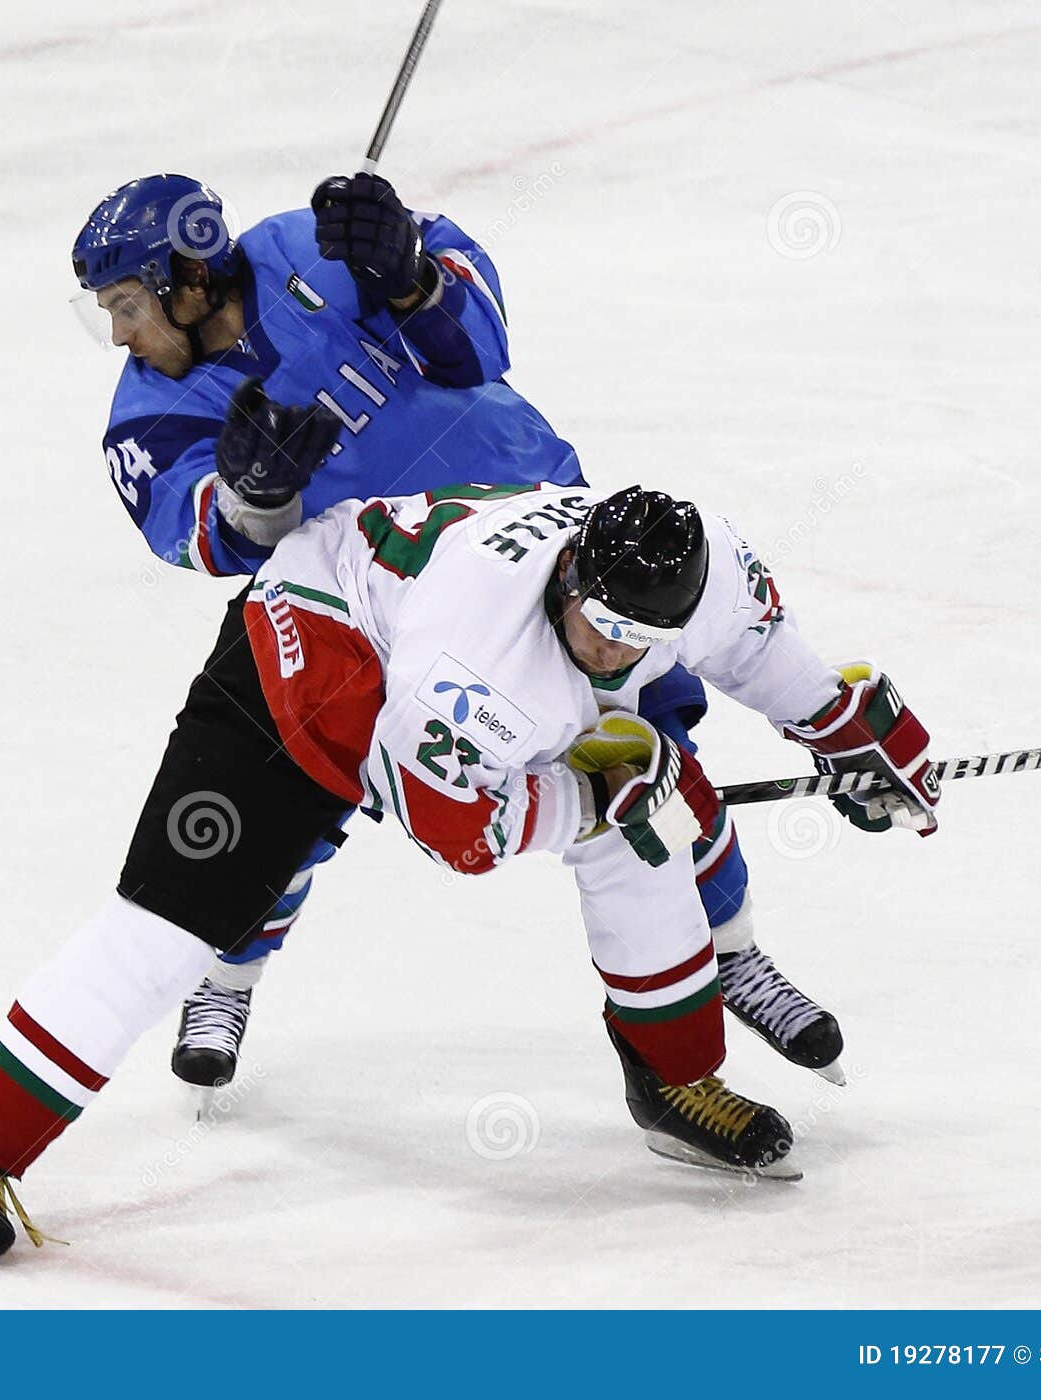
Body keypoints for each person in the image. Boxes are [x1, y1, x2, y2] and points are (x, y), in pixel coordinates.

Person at [0, 483, 938, 1268]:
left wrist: (864, 738)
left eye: (636, 641)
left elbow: (777, 667)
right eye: (599, 626)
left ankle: (671, 1076)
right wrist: (580, 795)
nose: (610, 653)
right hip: (317, 648)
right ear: (569, 573)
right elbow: (455, 836)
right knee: (172, 927)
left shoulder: (703, 577)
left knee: (646, 811)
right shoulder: (470, 659)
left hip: (431, 646)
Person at [73, 172, 843, 1088]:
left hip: (535, 537)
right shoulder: (150, 412)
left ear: (188, 280)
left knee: (651, 755)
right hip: (371, 607)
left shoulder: (318, 247)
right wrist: (255, 493)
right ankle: (229, 972)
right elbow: (201, 533)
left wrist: (408, 277)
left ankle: (731, 955)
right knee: (289, 799)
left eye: (126, 305)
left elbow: (481, 348)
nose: (118, 335)